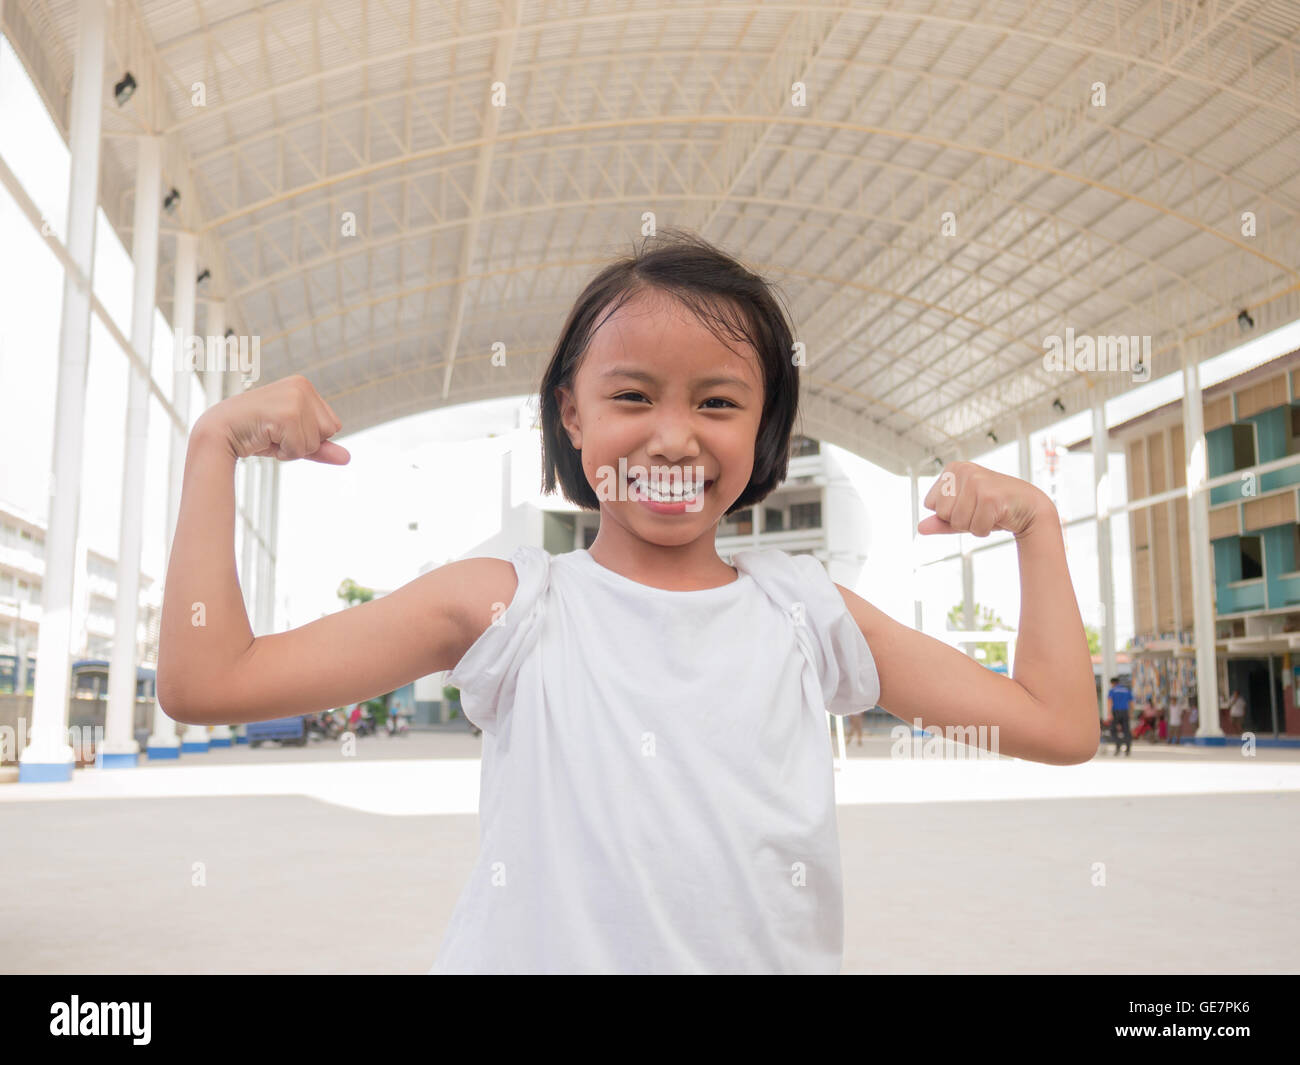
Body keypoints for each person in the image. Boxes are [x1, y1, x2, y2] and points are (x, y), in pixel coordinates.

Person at [156, 228, 1100, 975]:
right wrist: (214, 448)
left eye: (719, 403)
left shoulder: (807, 613)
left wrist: (1038, 527)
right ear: (573, 413)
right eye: (633, 395)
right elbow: (210, 679)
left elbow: (1057, 723)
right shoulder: (510, 605)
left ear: (767, 421)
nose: (672, 437)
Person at [1107, 675, 1133, 756]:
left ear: (1113, 683)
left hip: (1116, 712)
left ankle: (1118, 744)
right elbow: (1131, 703)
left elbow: (1109, 702)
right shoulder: (1126, 690)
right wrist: (1131, 713)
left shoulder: (1112, 691)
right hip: (1125, 712)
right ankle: (1128, 749)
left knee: (1113, 730)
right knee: (1126, 731)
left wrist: (1109, 713)